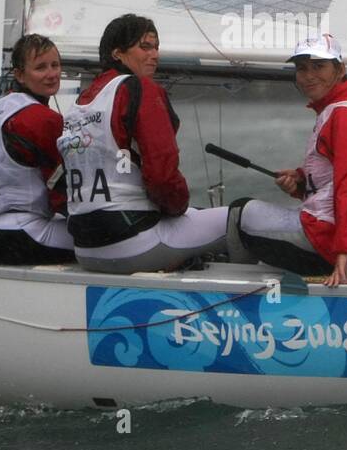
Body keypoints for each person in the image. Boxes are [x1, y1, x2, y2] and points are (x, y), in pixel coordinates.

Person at [60, 14, 228, 273]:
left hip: (84, 247)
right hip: (132, 242)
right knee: (244, 217)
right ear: (118, 53)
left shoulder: (79, 103)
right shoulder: (141, 89)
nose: (155, 55)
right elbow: (162, 176)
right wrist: (178, 207)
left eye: (156, 47)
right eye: (145, 47)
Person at [229, 34, 347, 287]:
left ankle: (227, 290)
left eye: (319, 66)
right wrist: (301, 181)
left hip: (333, 246)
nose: (309, 75)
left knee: (239, 212)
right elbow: (339, 176)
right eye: (302, 69)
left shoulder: (343, 115)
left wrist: (344, 253)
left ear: (340, 69)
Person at [0, 34, 75, 264]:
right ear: (19, 75)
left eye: (55, 65)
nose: (51, 74)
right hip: (20, 236)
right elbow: (64, 192)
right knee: (109, 242)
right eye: (40, 67)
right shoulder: (42, 118)